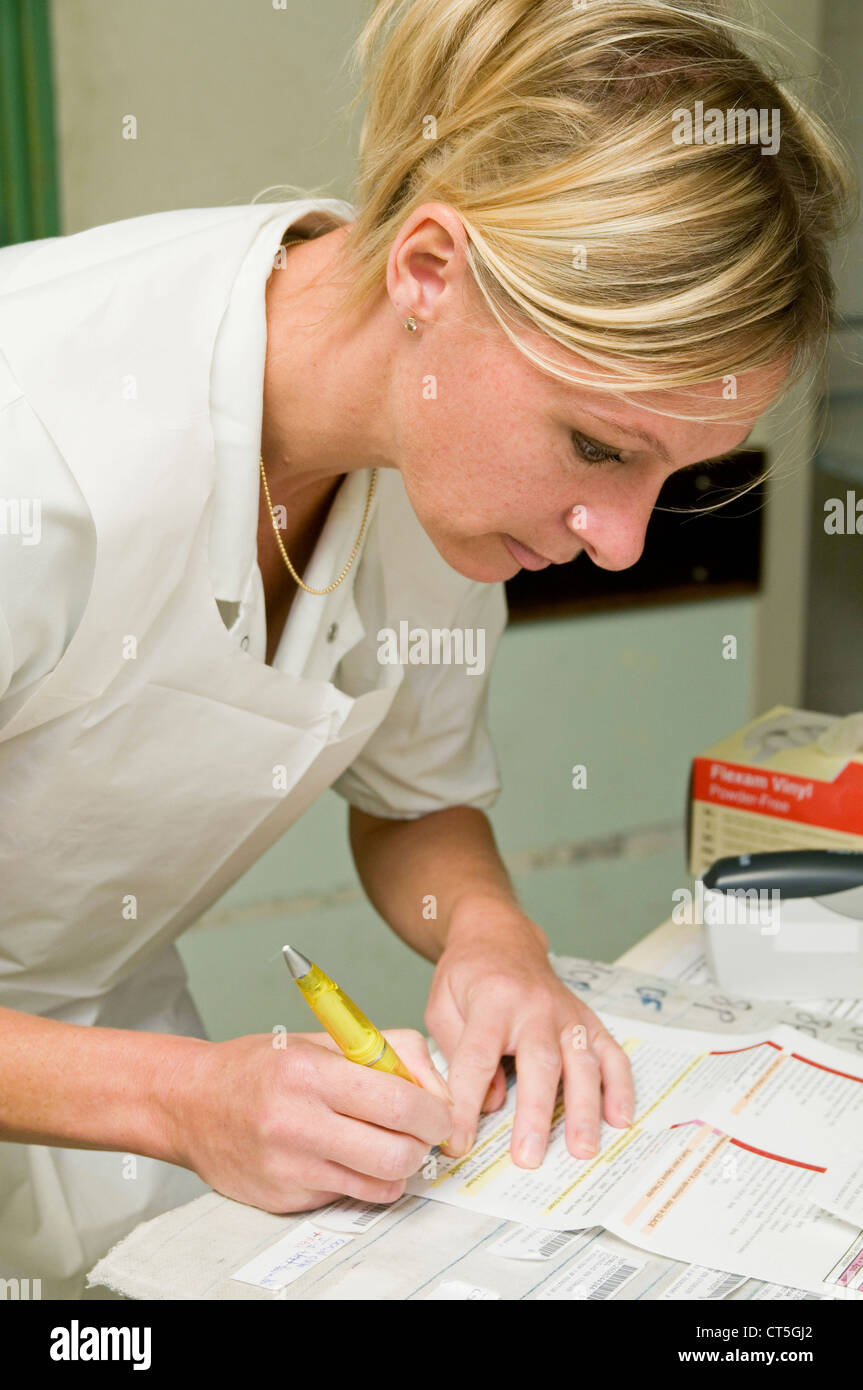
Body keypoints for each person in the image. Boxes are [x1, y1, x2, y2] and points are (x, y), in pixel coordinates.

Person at [0, 0, 853, 1298]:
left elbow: (414, 796)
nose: (618, 540)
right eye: (597, 447)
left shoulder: (428, 451)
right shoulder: (37, 447)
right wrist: (180, 1101)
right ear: (429, 272)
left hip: (105, 1064)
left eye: (673, 478)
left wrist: (494, 941)